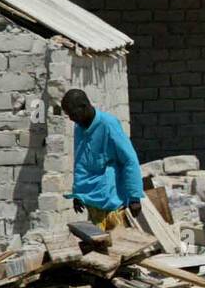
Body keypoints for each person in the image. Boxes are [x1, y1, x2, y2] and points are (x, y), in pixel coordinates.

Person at [61, 89, 144, 230]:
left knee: (120, 244)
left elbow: (129, 160)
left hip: (114, 199)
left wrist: (134, 196)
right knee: (98, 243)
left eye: (73, 114)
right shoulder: (79, 128)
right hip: (94, 200)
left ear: (83, 106)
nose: (71, 119)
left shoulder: (109, 124)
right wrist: (78, 194)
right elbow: (81, 162)